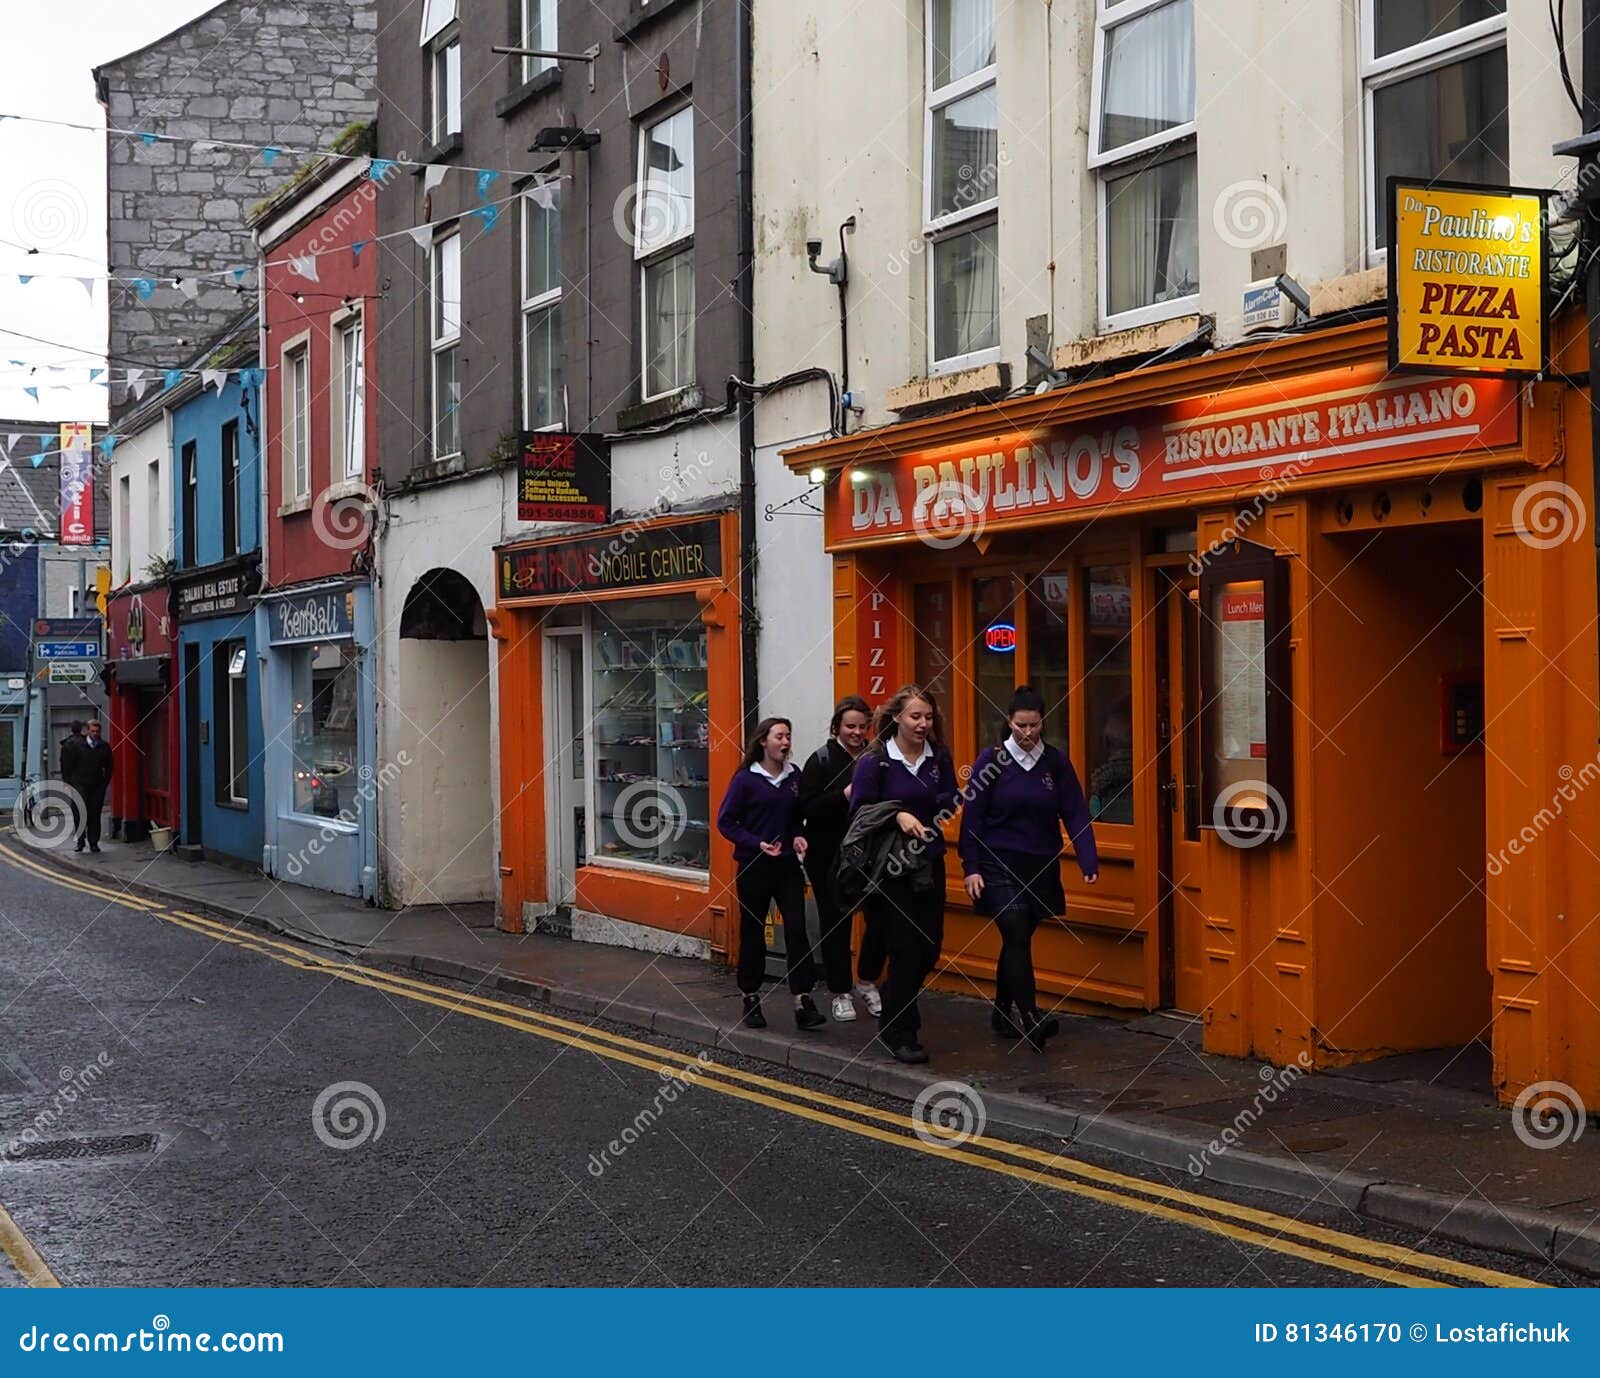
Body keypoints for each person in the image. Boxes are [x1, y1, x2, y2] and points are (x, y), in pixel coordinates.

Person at [959, 685, 1099, 1051]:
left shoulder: (1055, 761)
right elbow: (972, 818)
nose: (1027, 733)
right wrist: (970, 866)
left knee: (1017, 938)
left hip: (1040, 862)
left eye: (1034, 725)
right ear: (1009, 723)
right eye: (1020, 725)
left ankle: (1002, 1009)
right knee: (1017, 931)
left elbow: (1075, 810)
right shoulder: (991, 762)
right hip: (997, 861)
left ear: (1042, 723)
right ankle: (1030, 1017)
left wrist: (1088, 857)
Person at [848, 685, 957, 1065]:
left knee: (929, 948)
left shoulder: (938, 757)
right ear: (896, 717)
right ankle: (903, 1031)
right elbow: (859, 813)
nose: (923, 723)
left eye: (928, 717)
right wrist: (897, 814)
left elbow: (949, 796)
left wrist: (943, 806)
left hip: (928, 864)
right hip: (888, 869)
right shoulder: (875, 761)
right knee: (906, 948)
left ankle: (891, 1008)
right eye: (915, 716)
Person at [716, 717, 825, 1031]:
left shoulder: (794, 777)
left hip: (787, 865)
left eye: (789, 736)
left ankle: (803, 1000)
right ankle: (751, 997)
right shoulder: (746, 780)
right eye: (780, 736)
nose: (786, 742)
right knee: (753, 931)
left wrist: (798, 836)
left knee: (796, 930)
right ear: (763, 741)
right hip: (754, 865)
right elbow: (726, 822)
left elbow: (795, 818)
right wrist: (756, 843)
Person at [799, 695, 885, 1022]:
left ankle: (866, 980)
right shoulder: (820, 760)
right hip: (827, 855)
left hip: (870, 854)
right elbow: (806, 807)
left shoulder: (874, 757)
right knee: (835, 922)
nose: (857, 732)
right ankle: (840, 992)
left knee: (879, 920)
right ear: (837, 726)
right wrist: (844, 796)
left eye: (863, 727)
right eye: (851, 726)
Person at [63, 718, 114, 854]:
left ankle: (93, 843)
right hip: (79, 785)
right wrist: (68, 782)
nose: (95, 733)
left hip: (97, 786)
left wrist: (104, 784)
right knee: (79, 813)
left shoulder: (104, 747)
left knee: (94, 814)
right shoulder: (77, 746)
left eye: (97, 731)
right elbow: (67, 765)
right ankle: (80, 841)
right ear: (87, 731)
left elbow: (109, 767)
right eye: (92, 731)